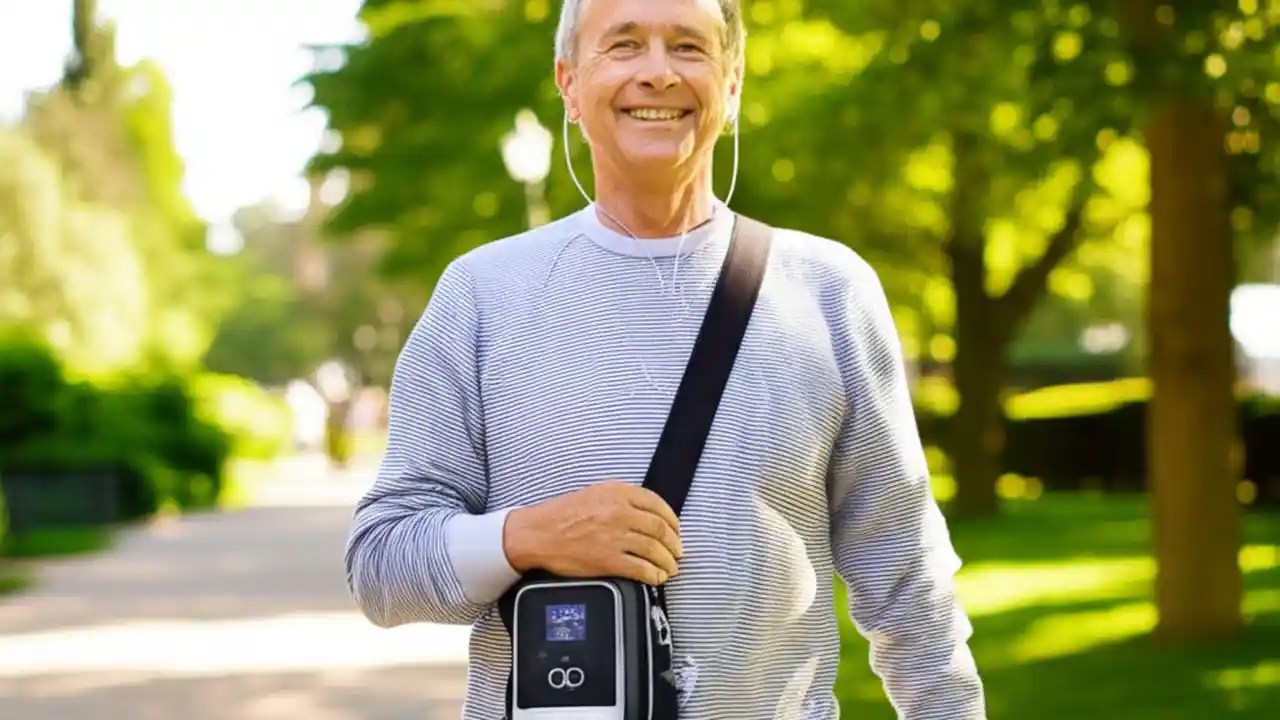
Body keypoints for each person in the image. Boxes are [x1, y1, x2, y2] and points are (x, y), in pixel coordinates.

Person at [344, 0, 987, 717]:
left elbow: (909, 584)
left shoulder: (829, 292)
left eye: (688, 47)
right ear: (569, 84)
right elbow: (382, 565)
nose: (657, 73)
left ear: (732, 82)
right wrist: (530, 535)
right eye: (623, 46)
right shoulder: (482, 295)